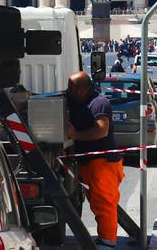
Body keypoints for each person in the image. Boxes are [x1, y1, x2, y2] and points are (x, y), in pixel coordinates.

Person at [67, 71, 124, 248]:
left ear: (81, 89)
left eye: (71, 88)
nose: (68, 91)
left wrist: (75, 135)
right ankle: (104, 238)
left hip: (103, 162)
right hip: (92, 162)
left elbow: (102, 130)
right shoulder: (79, 100)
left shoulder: (99, 103)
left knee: (104, 203)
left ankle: (108, 242)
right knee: (98, 202)